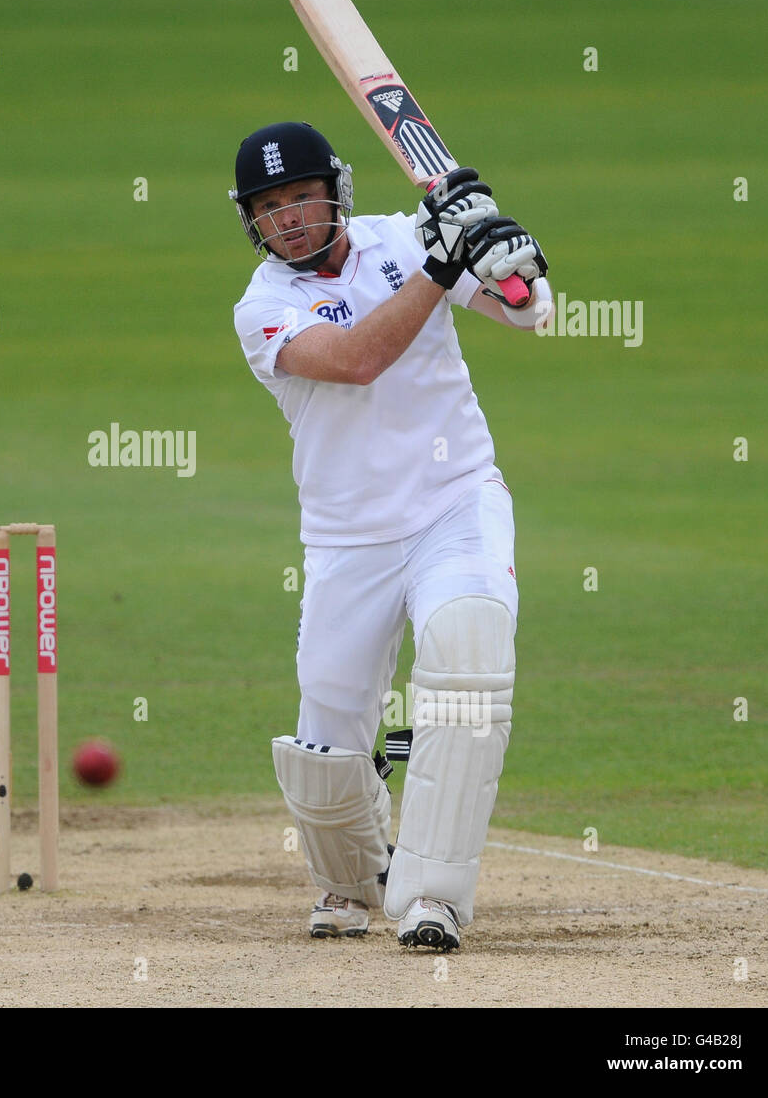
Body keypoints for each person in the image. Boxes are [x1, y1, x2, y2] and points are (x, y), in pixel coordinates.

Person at [230, 123, 550, 950]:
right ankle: (351, 881)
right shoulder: (263, 306)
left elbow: (528, 315)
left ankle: (433, 896)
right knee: (323, 753)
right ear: (251, 221)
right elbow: (356, 359)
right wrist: (444, 262)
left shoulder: (404, 238)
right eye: (269, 207)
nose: (289, 217)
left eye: (300, 194)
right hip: (348, 539)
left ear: (335, 188)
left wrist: (502, 250)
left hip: (456, 502)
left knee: (468, 652)